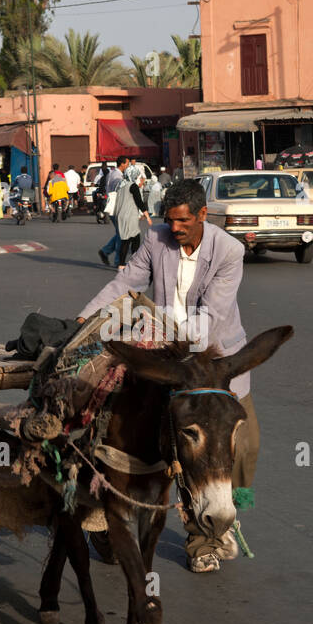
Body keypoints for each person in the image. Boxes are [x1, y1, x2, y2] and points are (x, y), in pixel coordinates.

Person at [76, 177, 260, 573]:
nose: (173, 229)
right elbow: (126, 283)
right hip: (159, 352)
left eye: (182, 222)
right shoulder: (156, 239)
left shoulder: (228, 251)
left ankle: (208, 535)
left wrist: (176, 352)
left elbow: (210, 316)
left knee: (237, 447)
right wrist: (86, 318)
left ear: (202, 216)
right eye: (169, 221)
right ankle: (103, 509)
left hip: (213, 359)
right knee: (112, 418)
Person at [114, 162, 152, 267]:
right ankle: (133, 262)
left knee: (126, 240)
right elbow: (139, 202)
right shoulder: (133, 186)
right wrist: (147, 216)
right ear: (134, 175)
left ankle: (121, 265)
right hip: (129, 216)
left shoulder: (121, 185)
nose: (140, 179)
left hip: (120, 216)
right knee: (134, 239)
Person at [98, 156, 130, 267]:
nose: (128, 166)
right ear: (122, 164)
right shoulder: (117, 176)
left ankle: (105, 251)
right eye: (127, 163)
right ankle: (118, 261)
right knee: (122, 234)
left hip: (111, 206)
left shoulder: (112, 173)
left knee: (120, 233)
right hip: (117, 207)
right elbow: (120, 190)